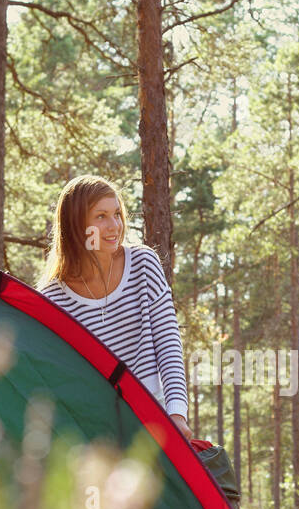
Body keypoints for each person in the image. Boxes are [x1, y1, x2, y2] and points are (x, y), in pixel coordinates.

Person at [38, 175, 192, 441]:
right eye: (101, 216)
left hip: (159, 419)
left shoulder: (143, 263)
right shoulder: (52, 299)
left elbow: (169, 344)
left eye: (117, 214)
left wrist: (176, 414)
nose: (114, 226)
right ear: (77, 225)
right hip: (99, 435)